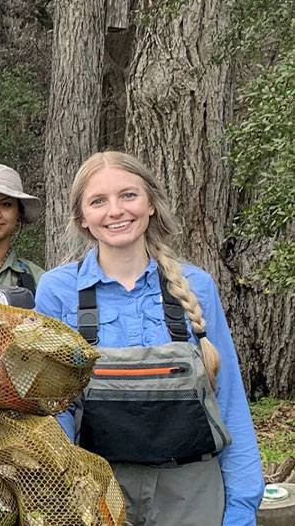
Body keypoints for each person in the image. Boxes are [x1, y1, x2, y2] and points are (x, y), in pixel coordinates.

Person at [34, 151, 262, 526]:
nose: (115, 211)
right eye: (98, 201)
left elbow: (231, 402)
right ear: (82, 218)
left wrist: (241, 506)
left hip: (192, 491)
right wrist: (62, 490)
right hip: (98, 487)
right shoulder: (58, 290)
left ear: (151, 204)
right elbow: (53, 410)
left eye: (128, 195)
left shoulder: (196, 286)